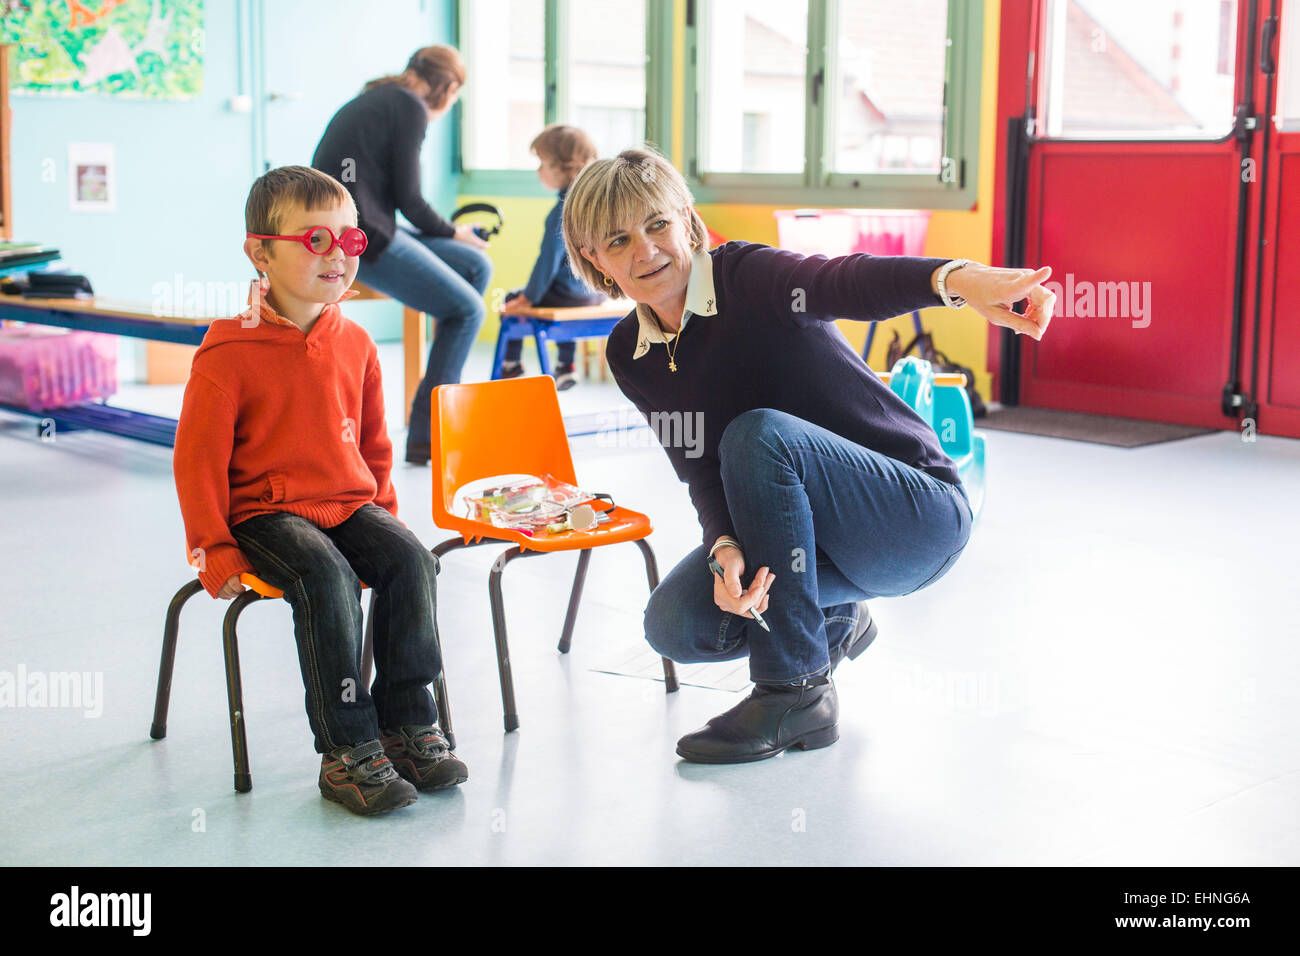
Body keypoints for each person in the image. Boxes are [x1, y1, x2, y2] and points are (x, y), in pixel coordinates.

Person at [563, 147, 1056, 764]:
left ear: (687, 219)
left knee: (758, 434)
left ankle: (795, 692)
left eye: (657, 224)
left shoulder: (747, 277)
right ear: (593, 257)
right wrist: (724, 550)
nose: (645, 251)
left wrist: (955, 282)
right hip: (811, 542)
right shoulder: (628, 351)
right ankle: (838, 619)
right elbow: (697, 467)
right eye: (618, 239)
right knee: (677, 623)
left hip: (915, 517)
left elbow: (848, 279)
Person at [173, 166, 466, 815]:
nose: (337, 255)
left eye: (350, 241)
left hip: (346, 502)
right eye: (315, 241)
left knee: (413, 560)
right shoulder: (227, 353)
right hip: (264, 513)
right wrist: (211, 549)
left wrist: (387, 518)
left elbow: (374, 446)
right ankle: (347, 751)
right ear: (260, 251)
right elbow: (196, 463)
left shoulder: (356, 342)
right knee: (328, 578)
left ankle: (406, 723)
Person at [312, 45, 492, 465]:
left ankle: (438, 398)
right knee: (467, 311)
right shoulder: (409, 107)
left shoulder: (382, 96)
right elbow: (410, 200)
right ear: (447, 88)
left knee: (475, 264)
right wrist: (454, 231)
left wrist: (454, 238)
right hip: (361, 238)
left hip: (362, 224)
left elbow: (396, 198)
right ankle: (430, 433)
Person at [498, 125, 607, 390]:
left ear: (566, 167)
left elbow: (548, 260)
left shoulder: (561, 211)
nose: (538, 170)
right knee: (561, 300)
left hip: (567, 294)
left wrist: (529, 297)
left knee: (511, 298)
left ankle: (511, 363)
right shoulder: (595, 206)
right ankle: (565, 365)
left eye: (543, 164)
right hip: (596, 292)